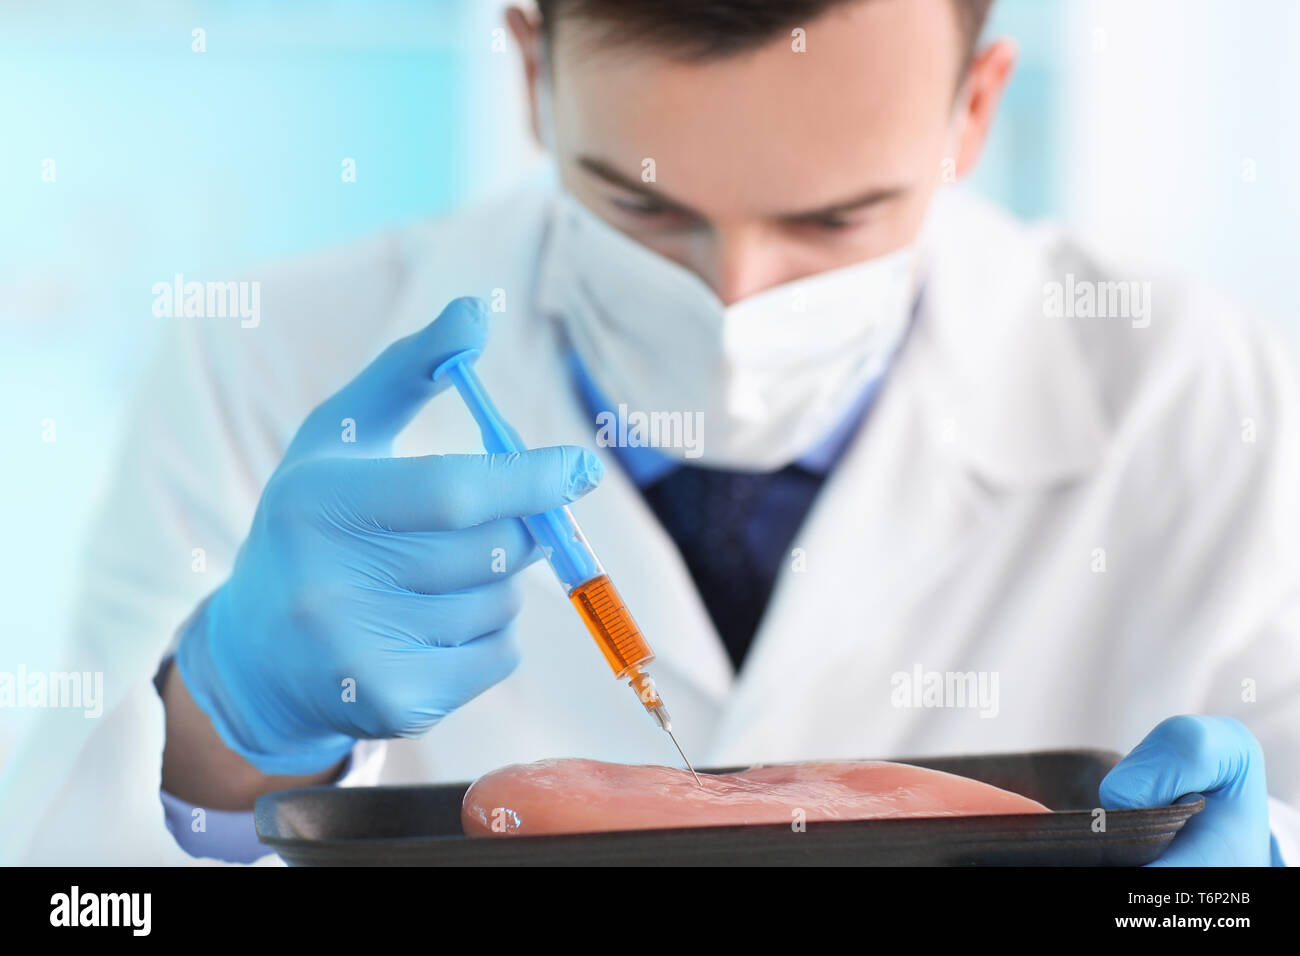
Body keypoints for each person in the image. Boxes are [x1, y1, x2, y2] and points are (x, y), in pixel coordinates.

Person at [3, 0, 1295, 866]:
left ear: (976, 108)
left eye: (836, 222)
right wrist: (218, 735)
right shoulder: (260, 364)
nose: (733, 305)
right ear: (529, 68)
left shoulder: (1191, 390)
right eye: (645, 210)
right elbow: (65, 888)